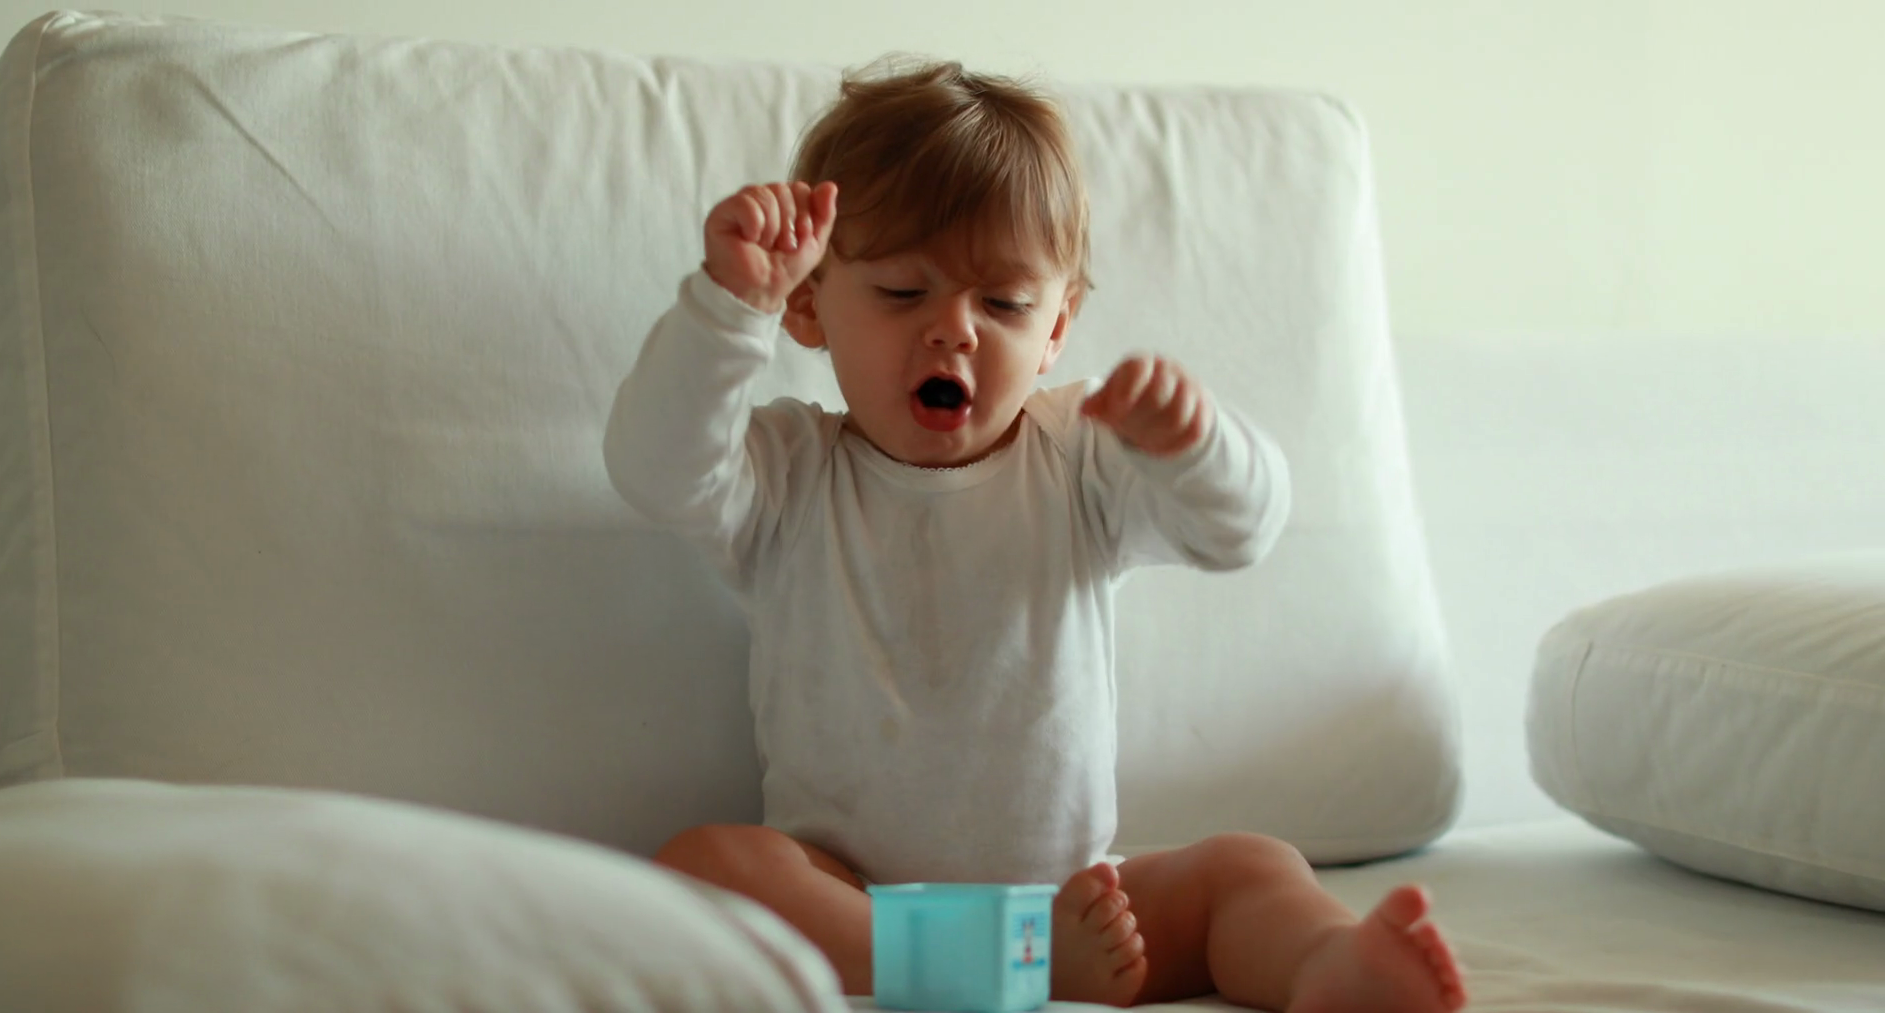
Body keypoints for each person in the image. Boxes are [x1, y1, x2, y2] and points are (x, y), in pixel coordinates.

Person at [604, 57, 1467, 1012]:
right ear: (809, 304)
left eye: (1004, 304)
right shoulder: (788, 473)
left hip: (1078, 900)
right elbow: (655, 465)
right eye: (901, 293)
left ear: (1058, 325)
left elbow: (1242, 530)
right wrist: (731, 305)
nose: (955, 332)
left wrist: (1195, 447)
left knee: (1251, 869)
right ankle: (1006, 965)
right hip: (851, 895)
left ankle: (1330, 969)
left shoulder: (1081, 456)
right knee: (708, 866)